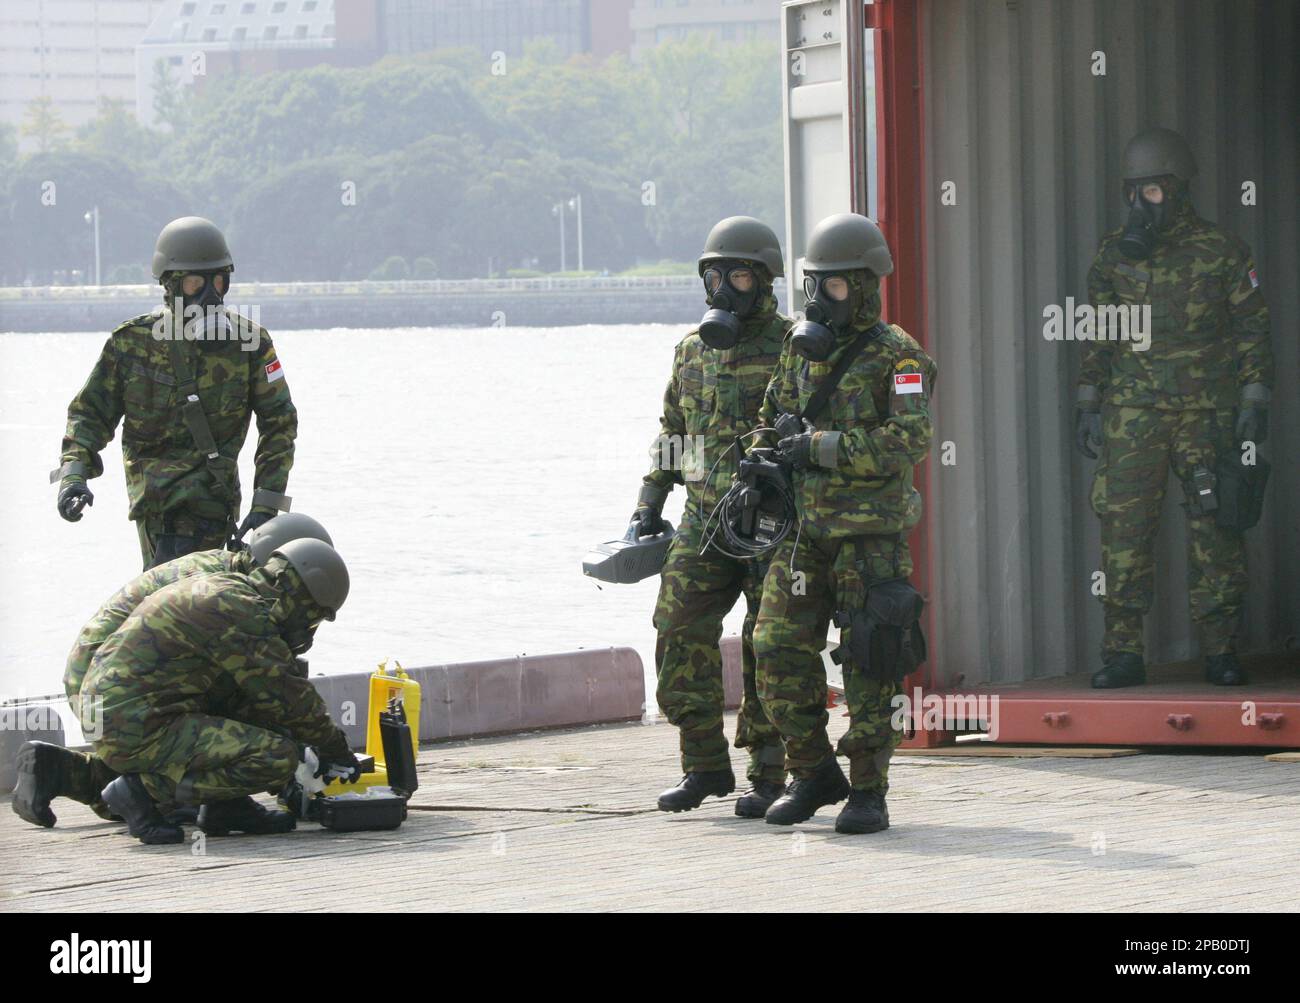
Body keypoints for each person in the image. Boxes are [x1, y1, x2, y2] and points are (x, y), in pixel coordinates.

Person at [751, 212, 936, 834]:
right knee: (774, 647)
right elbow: (772, 412)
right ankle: (812, 772)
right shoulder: (796, 352)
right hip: (803, 536)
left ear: (863, 286)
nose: (820, 298)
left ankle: (868, 792)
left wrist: (823, 447)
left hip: (868, 539)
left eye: (833, 286)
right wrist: (765, 456)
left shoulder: (899, 356)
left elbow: (910, 438)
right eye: (814, 284)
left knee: (869, 663)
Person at [1076, 127, 1273, 688]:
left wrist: (1255, 398)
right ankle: (1122, 654)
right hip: (1133, 413)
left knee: (1215, 532)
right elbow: (1099, 334)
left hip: (1205, 411)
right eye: (1133, 192)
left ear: (1179, 189)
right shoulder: (1114, 255)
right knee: (1124, 531)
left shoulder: (1221, 251)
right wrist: (1088, 399)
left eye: (1154, 192)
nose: (1143, 204)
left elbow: (1252, 330)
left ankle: (1220, 651)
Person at [10, 513, 333, 829]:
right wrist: (310, 751)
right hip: (110, 694)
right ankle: (200, 800)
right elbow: (269, 686)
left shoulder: (220, 569)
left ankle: (56, 769)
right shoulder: (232, 597)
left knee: (190, 754)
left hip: (94, 689)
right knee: (184, 780)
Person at [637, 217, 793, 817]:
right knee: (677, 629)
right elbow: (674, 435)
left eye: (740, 274)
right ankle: (702, 764)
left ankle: (770, 774)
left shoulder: (791, 345)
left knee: (767, 643)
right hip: (704, 516)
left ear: (764, 279)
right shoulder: (691, 350)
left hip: (771, 522)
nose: (726, 286)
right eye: (716, 274)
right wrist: (648, 503)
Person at [53, 216, 297, 570]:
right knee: (173, 606)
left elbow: (280, 424)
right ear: (170, 284)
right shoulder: (132, 344)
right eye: (197, 283)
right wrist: (73, 475)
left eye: (219, 282)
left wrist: (266, 507)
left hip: (210, 508)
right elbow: (89, 414)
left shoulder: (249, 344)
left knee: (178, 607)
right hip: (151, 508)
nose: (210, 295)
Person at [81, 539, 357, 844]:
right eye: (313, 616)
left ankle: (226, 808)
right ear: (298, 595)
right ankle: (141, 791)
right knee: (276, 758)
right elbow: (288, 697)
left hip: (121, 711)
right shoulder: (239, 612)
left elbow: (260, 699)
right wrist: (335, 749)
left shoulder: (230, 588)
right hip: (133, 725)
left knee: (251, 712)